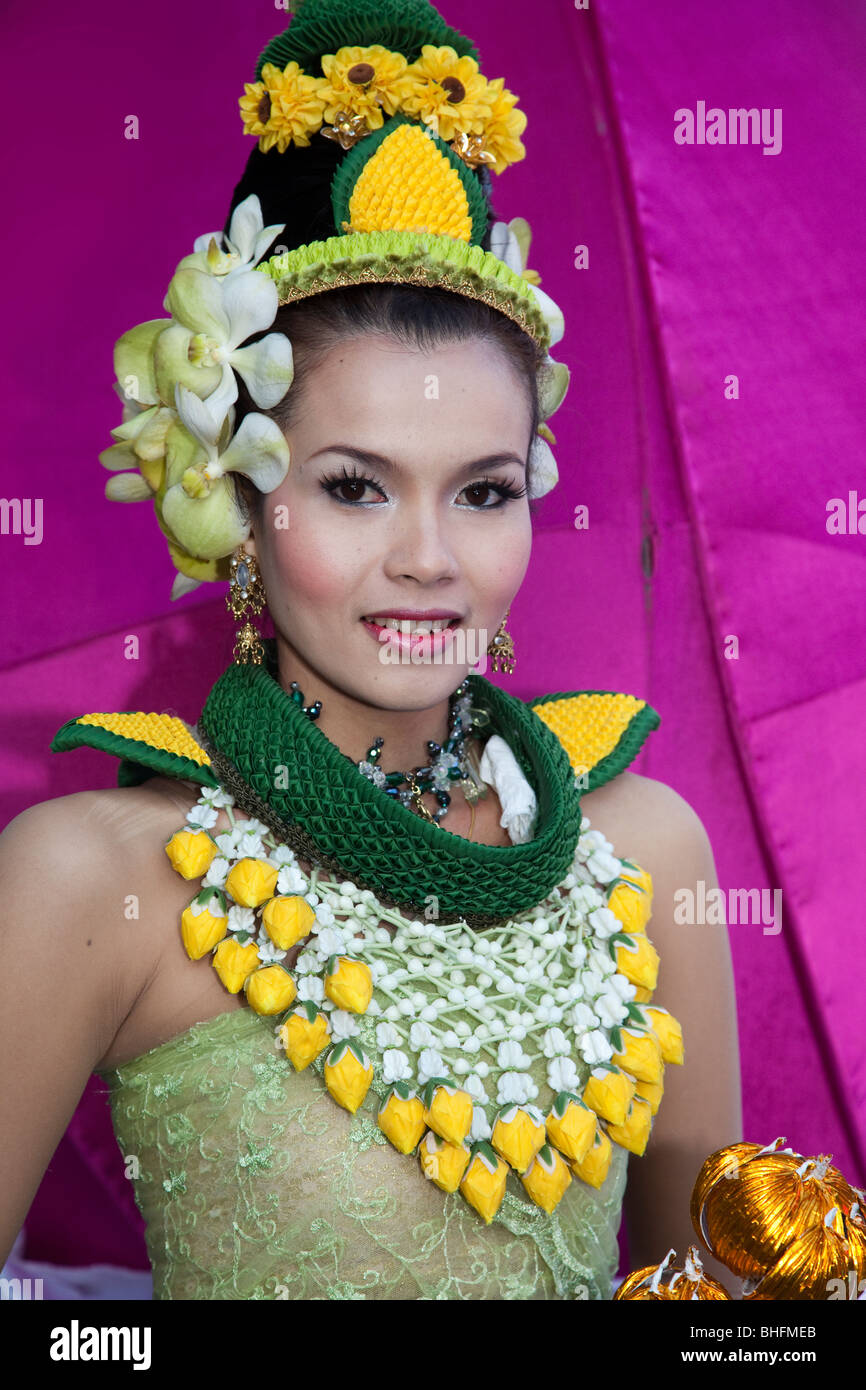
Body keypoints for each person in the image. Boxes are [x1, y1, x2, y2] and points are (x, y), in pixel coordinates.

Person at [0, 0, 740, 1299]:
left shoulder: (645, 851)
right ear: (237, 494)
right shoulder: (94, 880)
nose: (428, 558)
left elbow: (713, 1310)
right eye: (353, 487)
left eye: (483, 489)